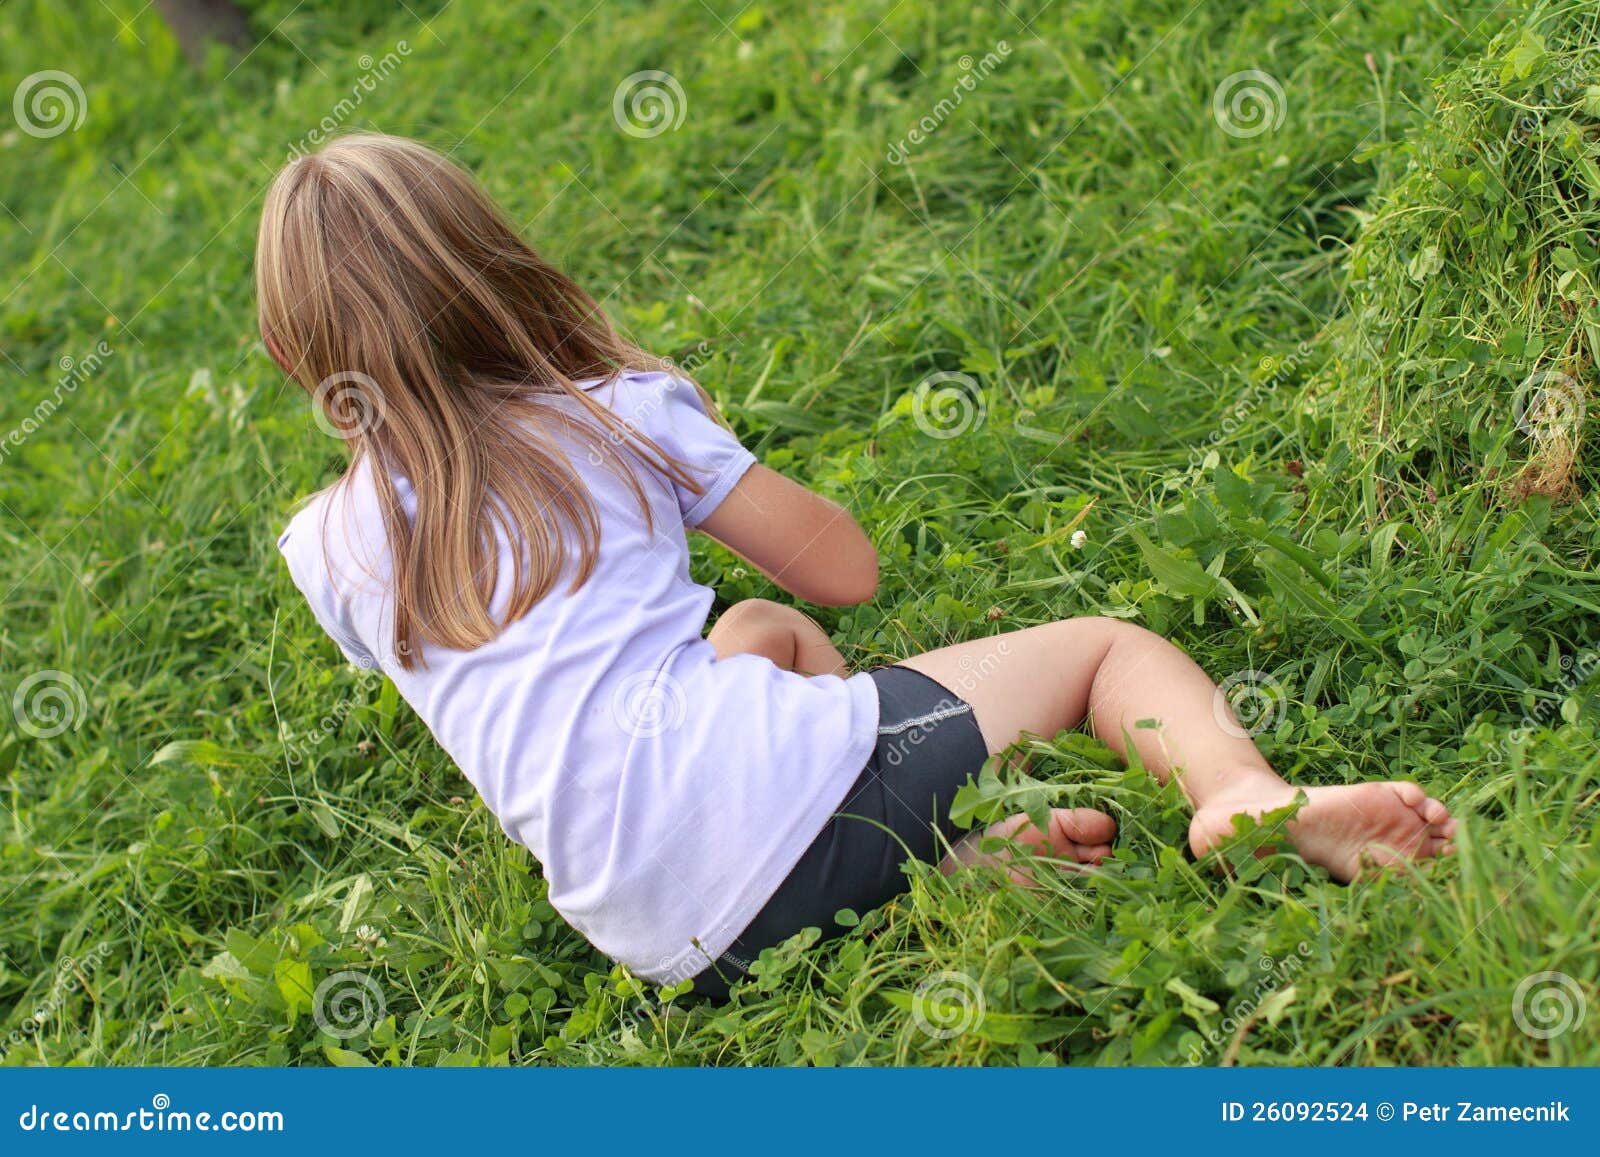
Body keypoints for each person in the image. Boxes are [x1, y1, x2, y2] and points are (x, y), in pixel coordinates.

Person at [260, 133, 1456, 999]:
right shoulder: (611, 411)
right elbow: (846, 569)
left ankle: (937, 864)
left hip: (668, 936)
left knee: (758, 633)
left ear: (303, 352)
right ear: (492, 263)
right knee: (1107, 650)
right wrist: (672, 415)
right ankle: (1238, 795)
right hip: (763, 787)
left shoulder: (321, 545)